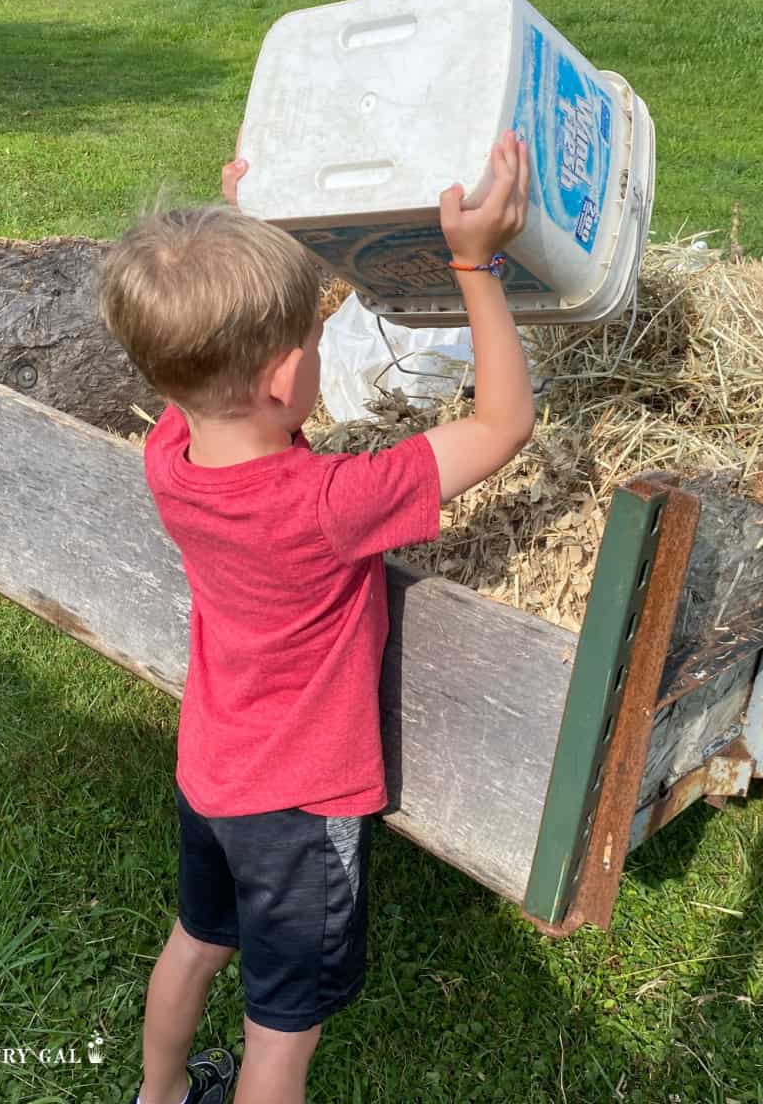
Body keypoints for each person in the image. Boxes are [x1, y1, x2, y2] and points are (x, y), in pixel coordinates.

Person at [98, 130, 532, 1104]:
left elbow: (204, 354)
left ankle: (157, 1098)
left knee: (196, 944)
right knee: (280, 1037)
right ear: (287, 381)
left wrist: (244, 233)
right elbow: (502, 425)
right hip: (297, 810)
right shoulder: (331, 502)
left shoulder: (171, 455)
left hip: (212, 774)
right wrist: (476, 263)